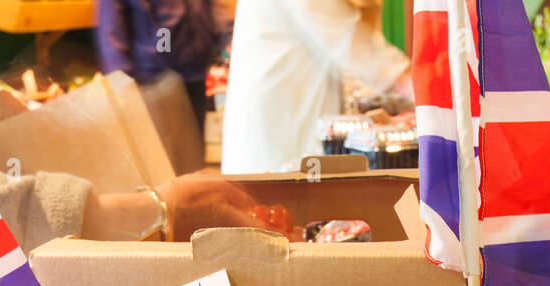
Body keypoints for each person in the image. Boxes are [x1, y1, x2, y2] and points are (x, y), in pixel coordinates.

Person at [221, 0, 411, 174]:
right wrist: (414, 85)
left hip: (283, 112)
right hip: (281, 124)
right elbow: (352, 42)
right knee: (283, 199)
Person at [96, 0, 222, 123]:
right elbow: (111, 31)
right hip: (155, 82)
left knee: (194, 140)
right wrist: (123, 81)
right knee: (163, 141)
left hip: (195, 73)